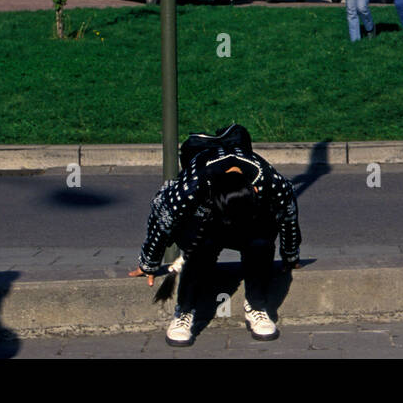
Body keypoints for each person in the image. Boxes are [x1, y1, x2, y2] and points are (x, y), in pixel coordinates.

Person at [129, 124, 301, 347]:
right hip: (205, 221)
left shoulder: (269, 181)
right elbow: (163, 216)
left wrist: (290, 255)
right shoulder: (193, 184)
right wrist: (149, 263)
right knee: (201, 249)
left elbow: (288, 215)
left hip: (249, 219)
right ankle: (184, 312)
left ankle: (257, 306)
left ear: (254, 190)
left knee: (261, 242)